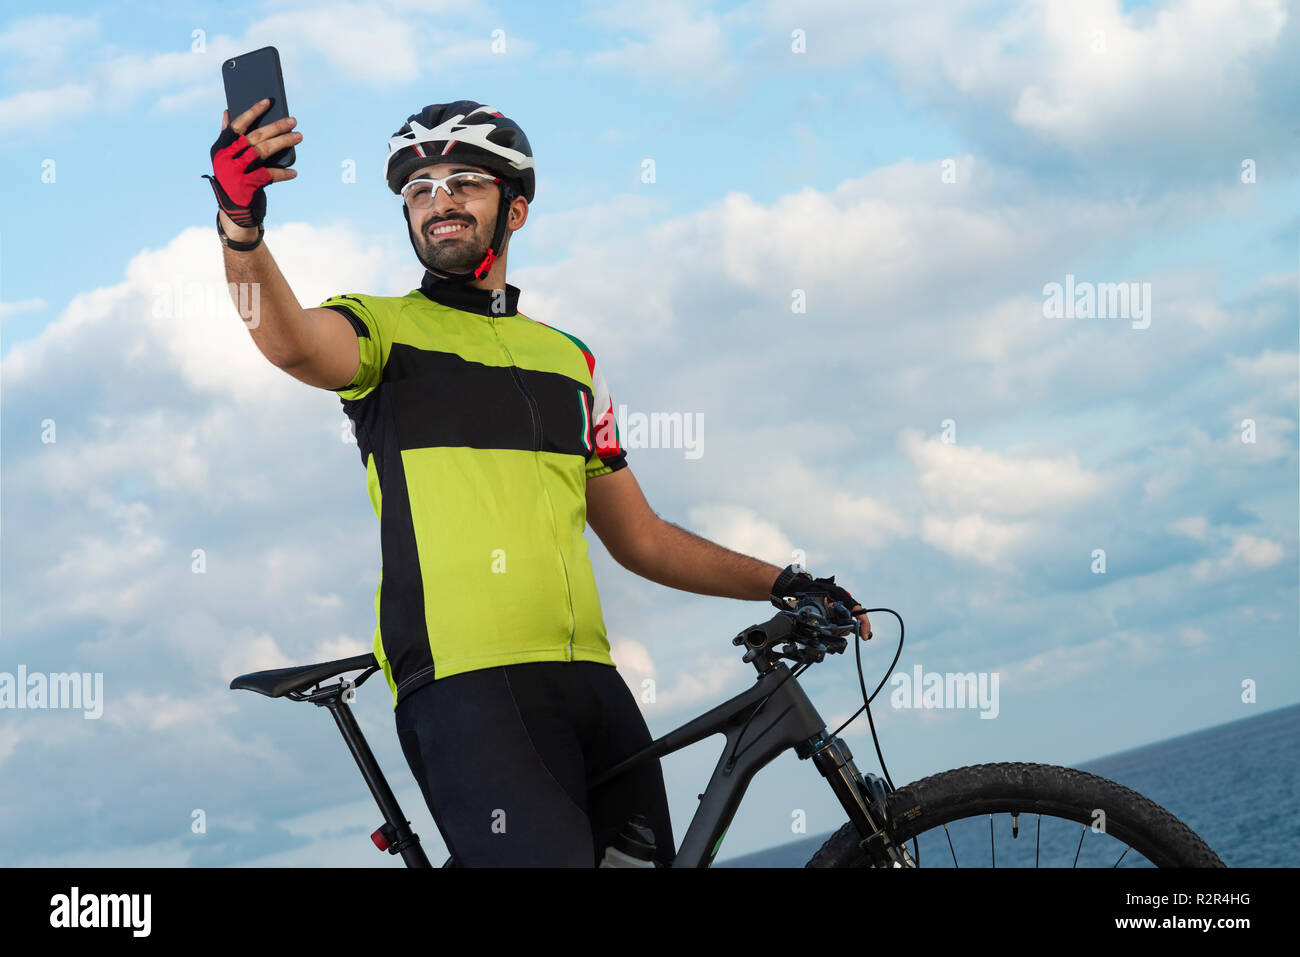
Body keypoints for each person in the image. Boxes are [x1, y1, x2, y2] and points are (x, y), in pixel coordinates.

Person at [205, 99, 872, 867]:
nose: (438, 201)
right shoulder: (381, 332)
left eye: (464, 182)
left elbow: (641, 537)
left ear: (515, 208)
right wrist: (240, 224)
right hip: (467, 685)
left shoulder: (570, 361)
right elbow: (288, 342)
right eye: (418, 189)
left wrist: (782, 582)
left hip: (590, 681)